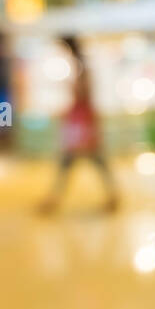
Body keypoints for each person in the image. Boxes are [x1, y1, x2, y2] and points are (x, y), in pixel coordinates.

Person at [39, 36, 119, 215]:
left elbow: (83, 92)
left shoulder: (80, 66)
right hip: (81, 117)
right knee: (85, 160)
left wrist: (71, 89)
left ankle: (54, 200)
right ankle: (112, 197)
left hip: (82, 119)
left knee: (79, 159)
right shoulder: (80, 65)